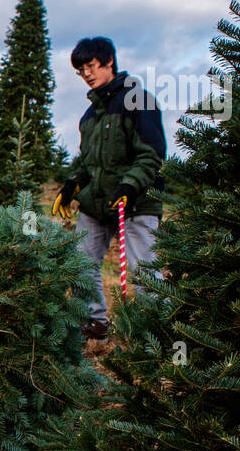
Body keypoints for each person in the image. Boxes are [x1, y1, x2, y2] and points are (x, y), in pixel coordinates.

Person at [52, 36, 166, 339]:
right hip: (97, 205)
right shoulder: (89, 116)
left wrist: (129, 186)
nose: (87, 74)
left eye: (91, 66)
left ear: (109, 62)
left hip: (137, 203)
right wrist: (73, 185)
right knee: (80, 265)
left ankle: (157, 333)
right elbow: (89, 163)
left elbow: (151, 154)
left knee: (144, 274)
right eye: (81, 70)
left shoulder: (138, 100)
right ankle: (95, 324)